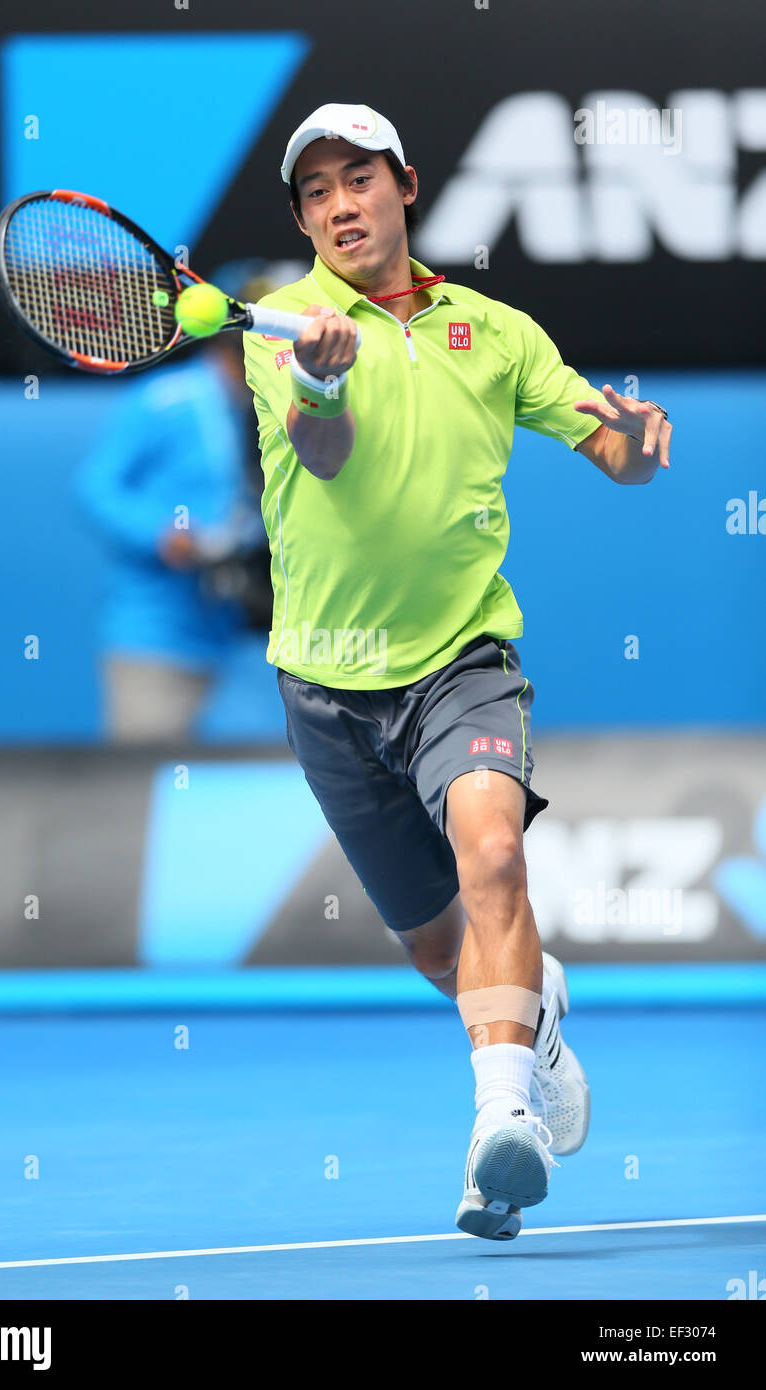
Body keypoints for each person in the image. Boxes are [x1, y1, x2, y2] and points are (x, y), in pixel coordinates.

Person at [242, 103, 672, 1241]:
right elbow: (320, 456)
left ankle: (500, 1132)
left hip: (460, 659)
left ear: (404, 186)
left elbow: (611, 450)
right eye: (317, 191)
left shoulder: (496, 331)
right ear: (304, 218)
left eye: (358, 179)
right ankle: (536, 1022)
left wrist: (635, 438)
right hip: (326, 685)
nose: (340, 205)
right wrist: (322, 383)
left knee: (492, 852)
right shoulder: (281, 324)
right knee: (444, 952)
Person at [75, 263, 298, 741]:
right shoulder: (164, 401)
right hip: (158, 640)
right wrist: (160, 533)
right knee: (138, 791)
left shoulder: (286, 408)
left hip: (250, 644)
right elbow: (95, 487)